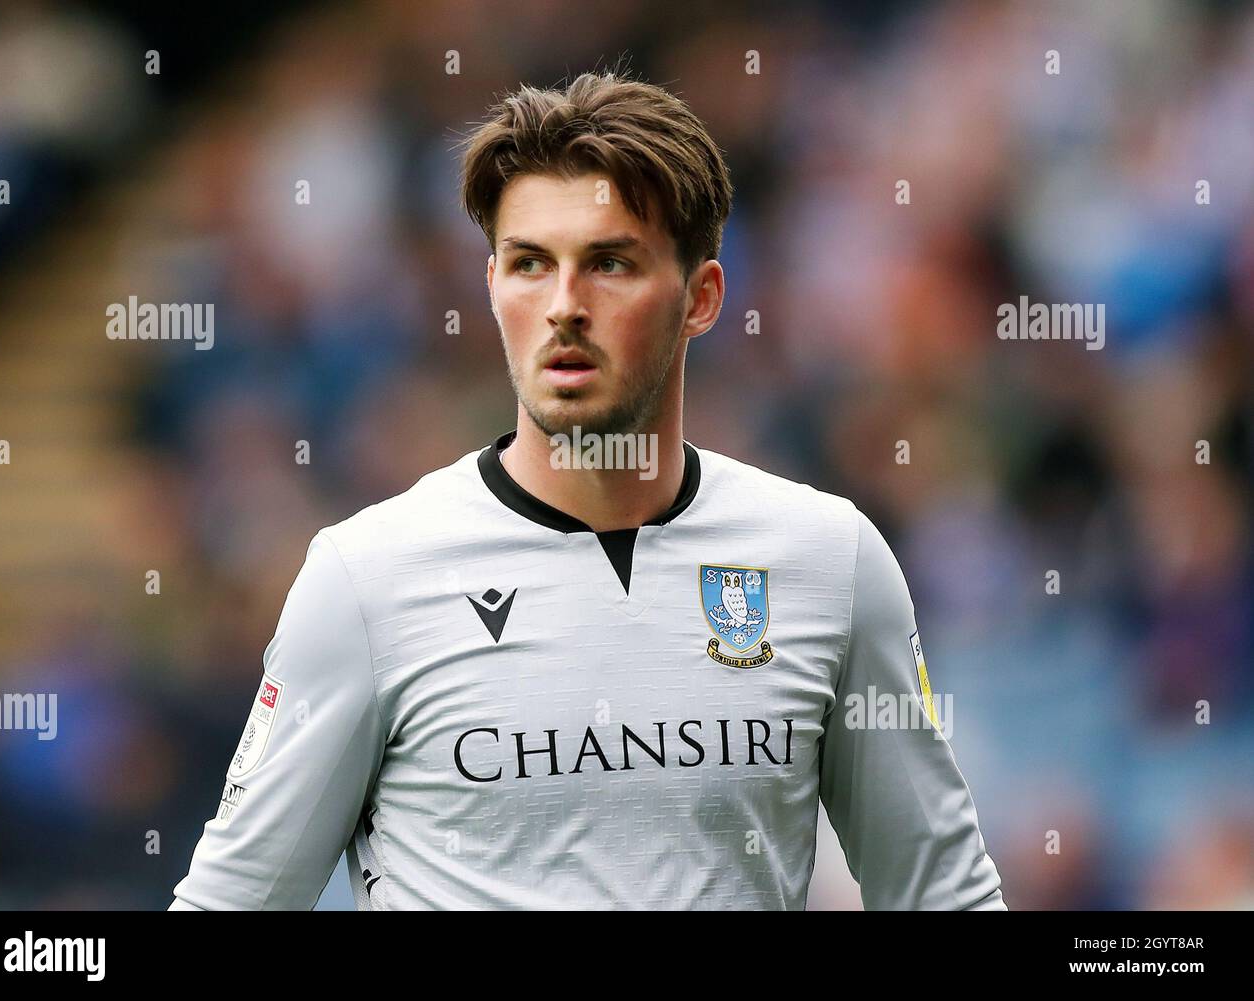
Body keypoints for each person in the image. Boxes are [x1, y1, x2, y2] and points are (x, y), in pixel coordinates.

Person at [168, 68, 1005, 910]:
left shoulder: (830, 559)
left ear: (701, 298)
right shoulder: (365, 578)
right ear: (493, 288)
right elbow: (231, 901)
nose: (564, 305)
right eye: (531, 263)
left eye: (609, 263)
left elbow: (942, 892)